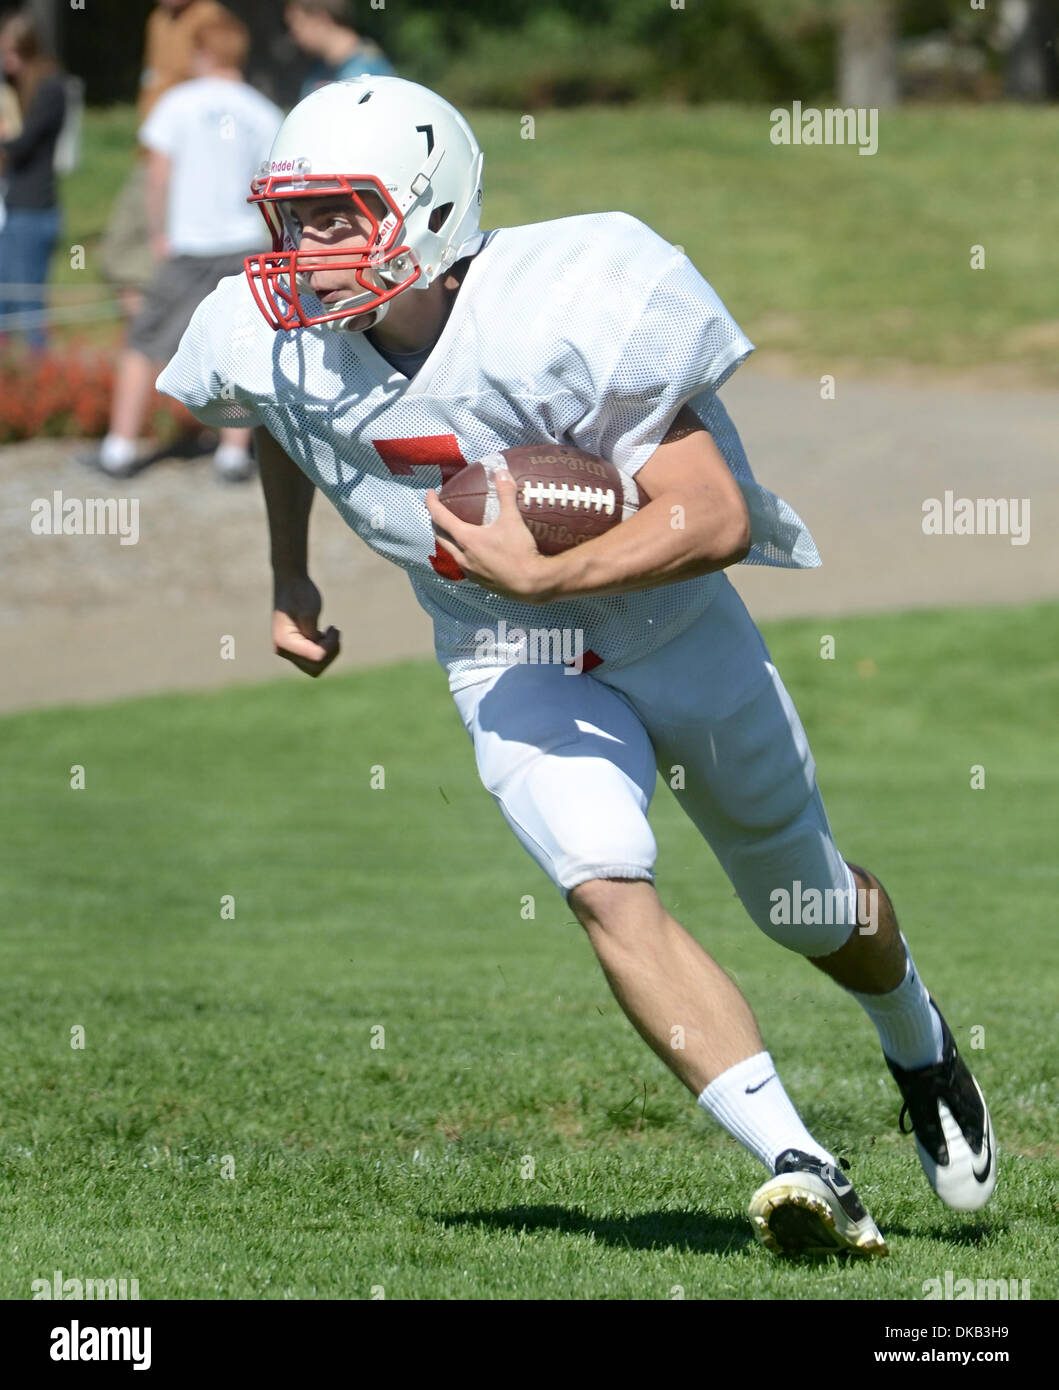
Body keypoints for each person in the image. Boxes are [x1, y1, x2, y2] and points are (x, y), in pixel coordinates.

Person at [157, 77, 997, 1256]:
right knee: (601, 875)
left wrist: (550, 574)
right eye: (293, 218)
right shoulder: (272, 337)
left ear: (430, 209)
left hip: (673, 629)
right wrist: (292, 577)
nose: (307, 249)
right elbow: (284, 416)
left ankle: (915, 1035)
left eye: (339, 215)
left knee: (802, 903)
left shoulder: (575, 296)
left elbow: (716, 516)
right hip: (500, 650)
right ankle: (800, 1161)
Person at [83, 12, 282, 481]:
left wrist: (157, 233)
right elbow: (272, 185)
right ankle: (232, 454)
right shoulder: (263, 111)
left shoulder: (177, 103)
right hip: (245, 244)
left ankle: (119, 448)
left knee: (144, 341)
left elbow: (158, 175)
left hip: (190, 244)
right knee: (238, 344)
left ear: (202, 53)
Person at [102, 0, 233, 321]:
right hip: (150, 150)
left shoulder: (210, 18)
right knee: (119, 256)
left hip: (182, 159)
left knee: (173, 258)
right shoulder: (158, 19)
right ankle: (153, 335)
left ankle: (168, 340)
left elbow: (216, 85)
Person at [0, 11, 65, 354]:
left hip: (34, 207)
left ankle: (38, 377)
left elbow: (24, 144)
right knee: (4, 301)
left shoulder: (50, 88)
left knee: (27, 303)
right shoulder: (16, 87)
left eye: (12, 53)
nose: (6, 61)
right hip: (14, 206)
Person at [285, 0, 393, 100]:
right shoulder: (319, 71)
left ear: (321, 20)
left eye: (297, 27)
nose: (293, 36)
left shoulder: (368, 68)